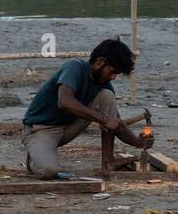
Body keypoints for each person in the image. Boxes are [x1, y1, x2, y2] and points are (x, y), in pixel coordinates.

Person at [21, 39, 154, 179]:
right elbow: (64, 102)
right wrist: (104, 119)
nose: (114, 77)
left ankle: (108, 163)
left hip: (68, 128)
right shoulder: (74, 67)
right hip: (40, 129)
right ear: (99, 62)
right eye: (113, 71)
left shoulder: (104, 86)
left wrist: (139, 142)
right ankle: (34, 161)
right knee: (49, 171)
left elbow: (116, 124)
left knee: (107, 96)